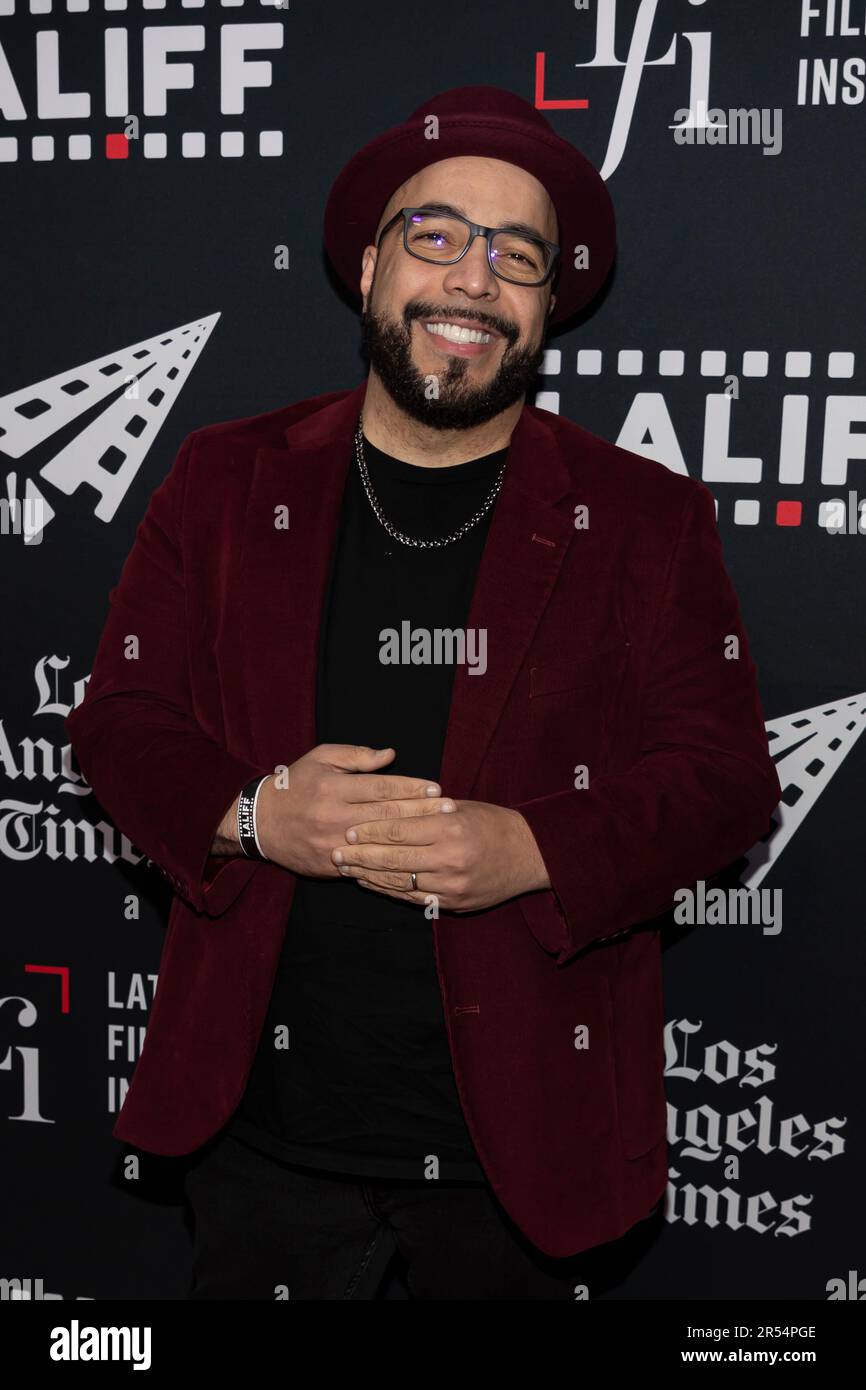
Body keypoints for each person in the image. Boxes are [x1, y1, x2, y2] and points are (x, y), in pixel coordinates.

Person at [66, 85, 781, 1300]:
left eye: (516, 256)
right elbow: (119, 725)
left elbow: (722, 786)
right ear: (365, 268)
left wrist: (532, 846)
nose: (471, 280)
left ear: (548, 304)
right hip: (258, 1138)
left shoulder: (645, 520)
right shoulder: (227, 478)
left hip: (522, 1166)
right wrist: (252, 814)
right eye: (435, 234)